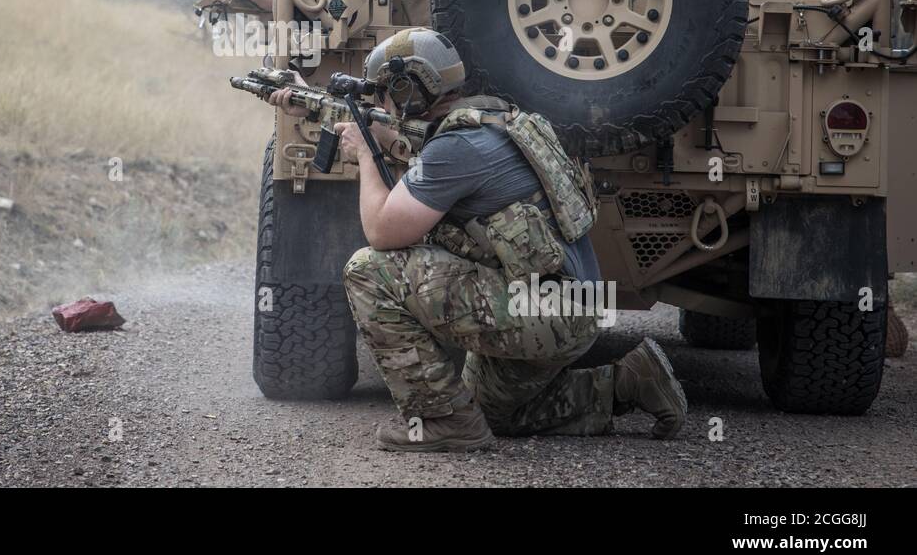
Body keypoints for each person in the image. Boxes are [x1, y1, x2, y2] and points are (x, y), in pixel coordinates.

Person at [269, 28, 686, 452]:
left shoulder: (456, 149)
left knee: (369, 272)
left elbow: (382, 231)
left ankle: (442, 421)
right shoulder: (496, 121)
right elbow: (416, 161)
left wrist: (361, 153)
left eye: (385, 92)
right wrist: (313, 102)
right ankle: (630, 381)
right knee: (494, 413)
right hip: (569, 308)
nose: (380, 104)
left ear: (409, 89)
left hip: (545, 313)